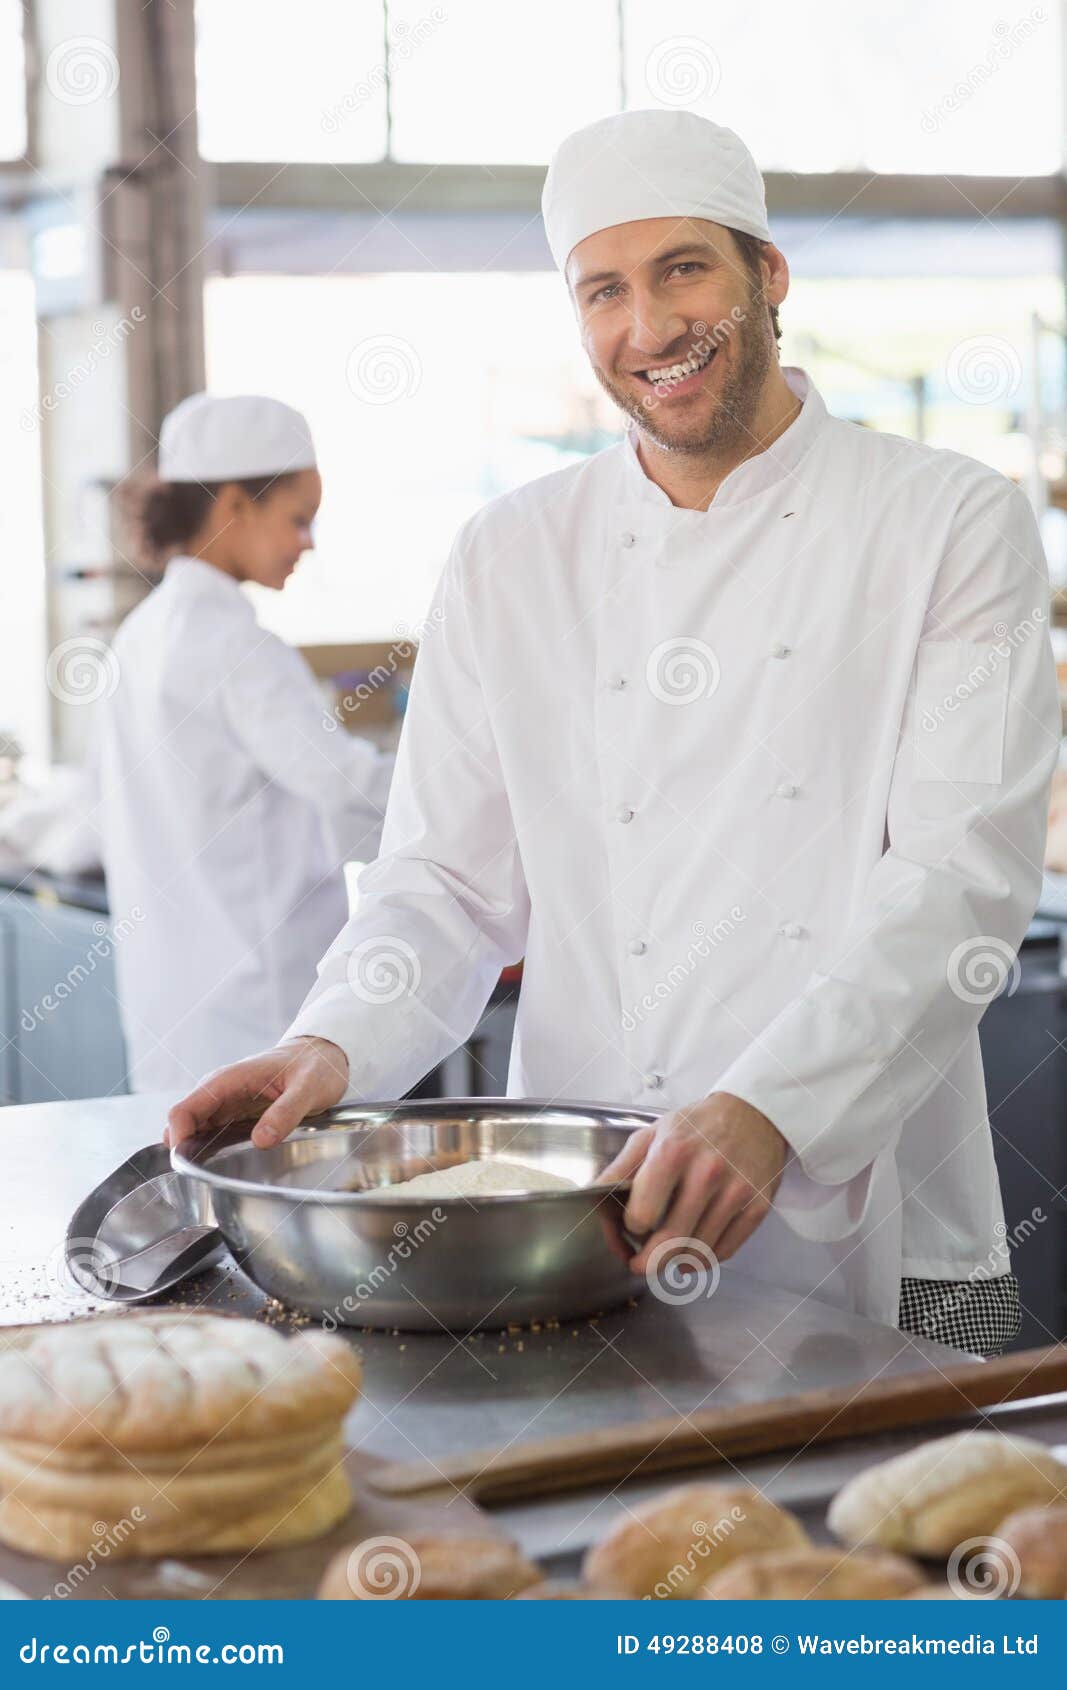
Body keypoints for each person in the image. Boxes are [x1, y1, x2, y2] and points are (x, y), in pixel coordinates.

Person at [167, 114, 1060, 1355]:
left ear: (768, 275)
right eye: (604, 289)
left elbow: (958, 881)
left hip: (864, 1200)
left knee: (861, 1537)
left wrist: (767, 1109)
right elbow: (442, 883)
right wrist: (332, 1041)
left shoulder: (947, 522)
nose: (647, 328)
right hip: (579, 1219)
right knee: (603, 1531)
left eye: (683, 268)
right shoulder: (509, 552)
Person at [97, 392, 393, 1092]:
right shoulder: (234, 646)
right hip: (262, 1003)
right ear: (234, 505)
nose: (308, 542)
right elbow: (349, 790)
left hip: (175, 1004)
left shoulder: (142, 632)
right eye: (298, 517)